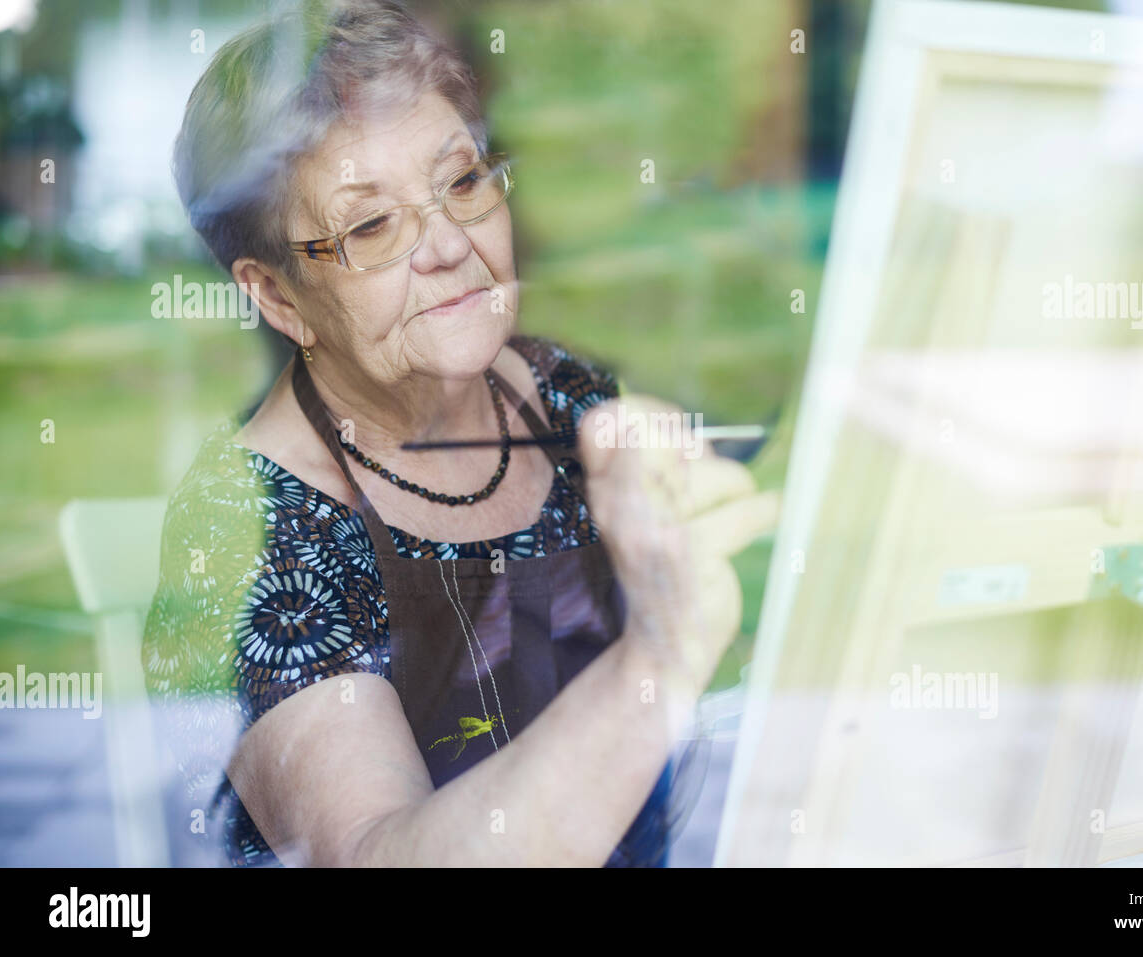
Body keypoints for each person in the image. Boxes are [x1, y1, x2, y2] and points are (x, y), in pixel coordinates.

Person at [141, 0, 778, 867]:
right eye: (370, 225)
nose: (447, 243)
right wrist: (661, 654)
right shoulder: (248, 518)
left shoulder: (563, 396)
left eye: (464, 181)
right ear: (278, 296)